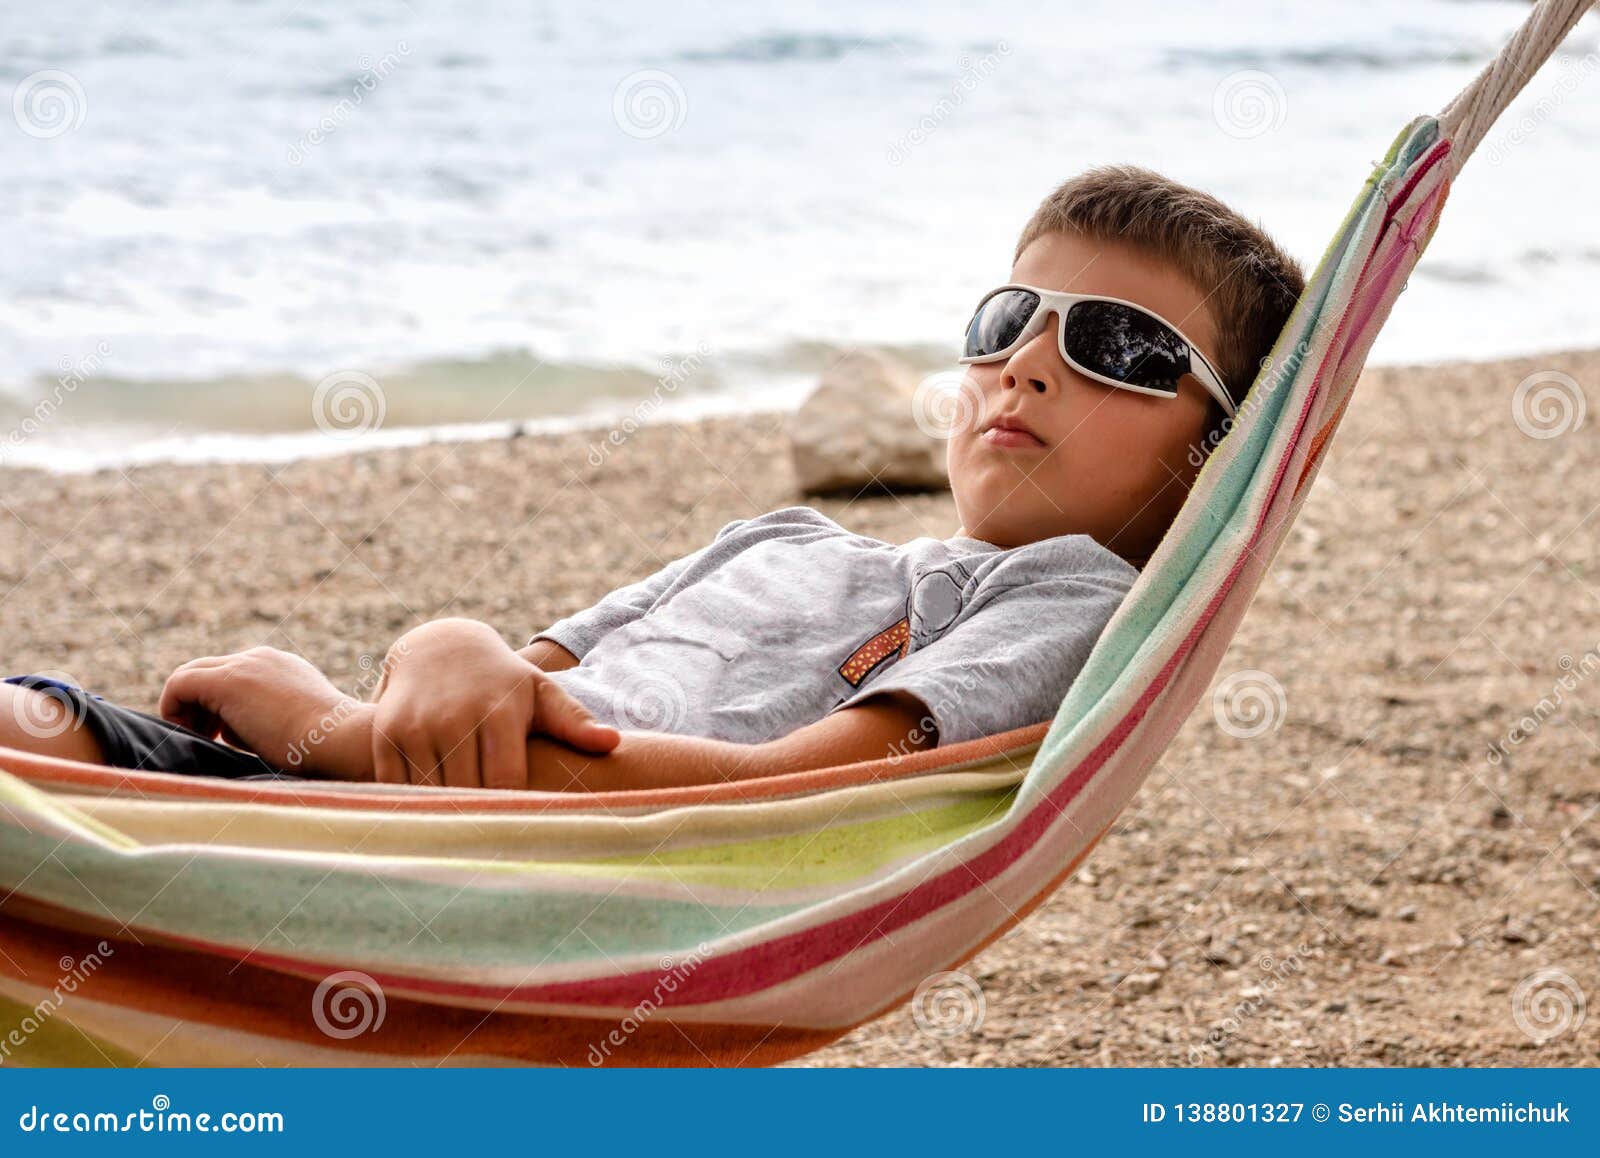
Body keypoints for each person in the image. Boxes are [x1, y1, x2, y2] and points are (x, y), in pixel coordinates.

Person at [0, 165, 1304, 793]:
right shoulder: (783, 539)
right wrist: (436, 650)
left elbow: (791, 800)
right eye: (1008, 317)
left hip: (467, 857)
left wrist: (323, 723)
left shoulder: (1065, 600)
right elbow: (510, 692)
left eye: (1117, 346)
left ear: (1215, 450)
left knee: (45, 753)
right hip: (372, 804)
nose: (1026, 364)